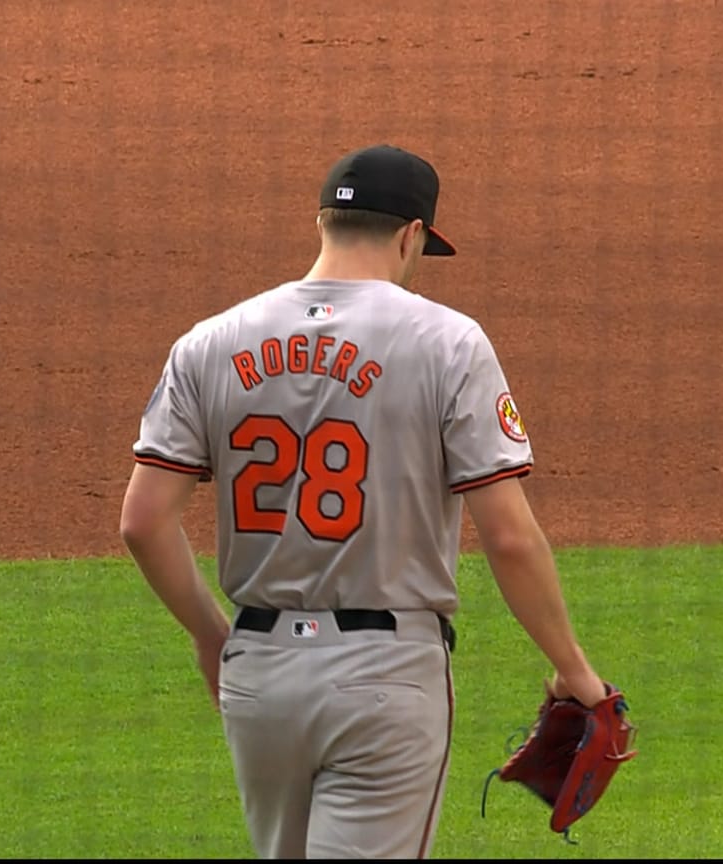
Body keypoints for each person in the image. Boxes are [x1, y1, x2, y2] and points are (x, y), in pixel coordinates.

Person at [118, 144, 611, 859]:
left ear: (322, 223)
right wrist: (573, 668)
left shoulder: (210, 343)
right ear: (412, 236)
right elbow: (508, 537)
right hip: (385, 680)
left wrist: (211, 636)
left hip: (259, 678)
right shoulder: (447, 341)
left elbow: (142, 521)